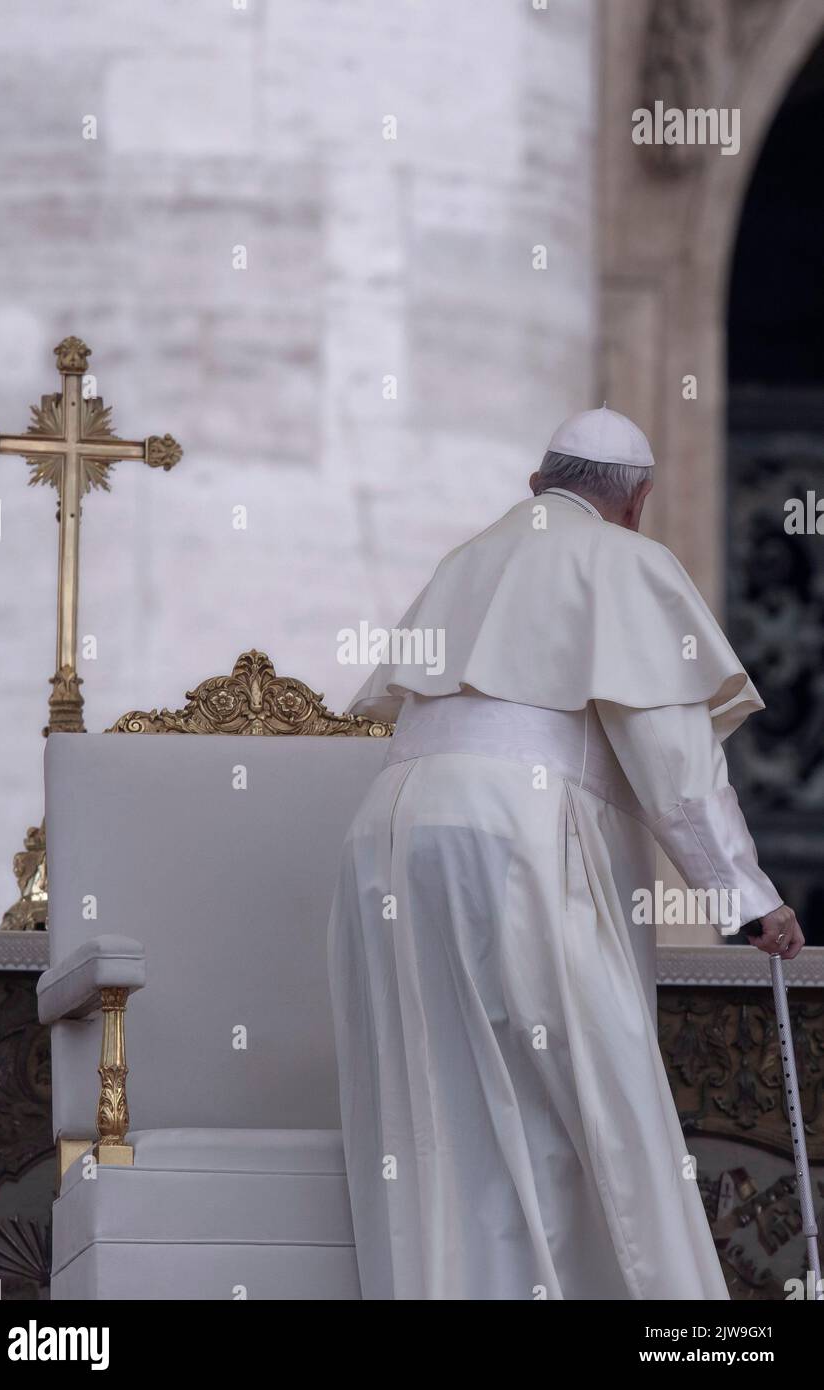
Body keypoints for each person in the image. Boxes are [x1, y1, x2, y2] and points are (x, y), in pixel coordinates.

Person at [327, 406, 803, 1301]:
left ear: (537, 485)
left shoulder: (465, 561)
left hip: (388, 835)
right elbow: (675, 762)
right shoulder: (626, 561)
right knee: (603, 1101)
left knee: (447, 1113)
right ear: (639, 503)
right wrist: (745, 897)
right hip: (516, 832)